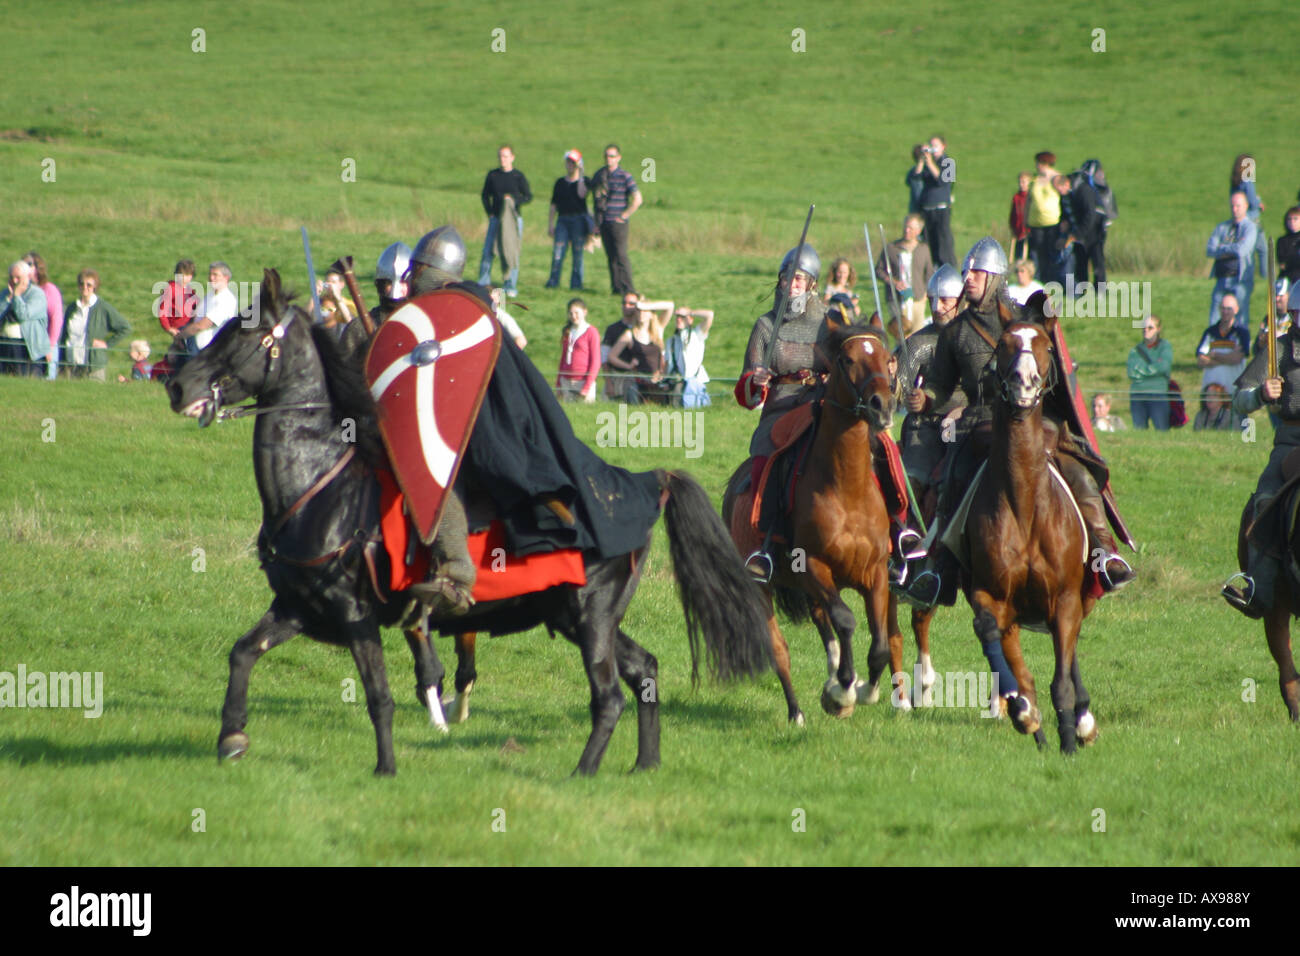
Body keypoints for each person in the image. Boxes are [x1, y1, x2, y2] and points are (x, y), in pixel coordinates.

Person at [902, 237, 1133, 608]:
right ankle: (940, 569)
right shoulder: (956, 331)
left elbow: (1054, 372)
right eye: (966, 272)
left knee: (1078, 470)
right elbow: (941, 385)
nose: (969, 278)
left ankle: (1104, 553)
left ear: (995, 276)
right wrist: (925, 398)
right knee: (949, 479)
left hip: (1034, 420)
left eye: (976, 272)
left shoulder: (1025, 319)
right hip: (979, 424)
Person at [733, 244, 827, 578]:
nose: (793, 284)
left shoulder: (827, 324)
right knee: (764, 454)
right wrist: (757, 380)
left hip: (820, 402)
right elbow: (746, 390)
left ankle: (892, 536)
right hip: (780, 405)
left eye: (800, 278)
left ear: (812, 284)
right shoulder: (765, 326)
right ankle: (767, 543)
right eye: (788, 277)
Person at [1222, 283, 1300, 617]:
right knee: (1265, 502)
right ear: (1294, 314)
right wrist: (1261, 394)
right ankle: (1259, 591)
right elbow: (1239, 397)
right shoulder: (1279, 350)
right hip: (1292, 443)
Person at [892, 264, 965, 582]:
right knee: (911, 479)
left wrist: (963, 411)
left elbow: (990, 387)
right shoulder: (918, 343)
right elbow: (895, 393)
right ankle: (904, 540)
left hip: (969, 421)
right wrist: (899, 389)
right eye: (933, 299)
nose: (937, 307)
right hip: (926, 425)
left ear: (961, 300)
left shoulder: (976, 339)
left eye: (945, 299)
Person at [476, 145, 531, 297]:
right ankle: (483, 282)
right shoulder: (493, 175)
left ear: (512, 157)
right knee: (488, 250)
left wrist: (513, 200)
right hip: (496, 219)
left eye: (506, 156)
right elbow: (485, 196)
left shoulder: (518, 176)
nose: (503, 159)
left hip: (513, 221)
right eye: (500, 156)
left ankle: (510, 285)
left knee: (512, 252)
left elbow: (528, 196)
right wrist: (490, 213)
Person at [60, 269, 131, 381]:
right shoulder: (72, 308)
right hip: (71, 364)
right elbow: (64, 335)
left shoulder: (103, 307)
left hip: (93, 367)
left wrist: (107, 344)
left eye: (89, 285)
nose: (85, 287)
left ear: (95, 287)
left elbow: (125, 328)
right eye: (81, 284)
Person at [590, 143, 642, 295]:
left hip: (618, 223)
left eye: (612, 156)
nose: (609, 159)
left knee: (621, 255)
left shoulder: (625, 176)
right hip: (604, 221)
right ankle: (616, 288)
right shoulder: (600, 175)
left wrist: (624, 215)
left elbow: (637, 199)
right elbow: (592, 194)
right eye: (607, 156)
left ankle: (629, 289)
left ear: (618, 158)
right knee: (611, 256)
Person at [875, 214, 934, 339]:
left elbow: (929, 273)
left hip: (918, 299)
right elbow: (879, 270)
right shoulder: (891, 248)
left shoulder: (923, 249)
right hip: (896, 300)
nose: (907, 231)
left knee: (918, 336)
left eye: (911, 228)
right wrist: (893, 282)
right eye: (906, 227)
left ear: (918, 231)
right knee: (901, 336)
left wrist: (925, 295)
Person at [1207, 191, 1258, 333]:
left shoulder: (1250, 228)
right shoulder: (1222, 227)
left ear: (1246, 206)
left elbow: (1242, 250)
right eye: (1232, 206)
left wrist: (1222, 248)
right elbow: (1210, 250)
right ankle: (1213, 347)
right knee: (1215, 316)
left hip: (1241, 280)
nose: (1235, 209)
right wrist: (1231, 249)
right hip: (1222, 279)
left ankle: (1240, 349)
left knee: (1241, 317)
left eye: (1238, 206)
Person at [606, 302, 673, 405]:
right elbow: (611, 356)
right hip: (639, 380)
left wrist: (647, 305)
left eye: (645, 311)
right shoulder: (630, 334)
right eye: (639, 311)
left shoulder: (658, 330)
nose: (642, 313)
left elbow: (670, 306)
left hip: (657, 379)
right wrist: (628, 366)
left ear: (651, 314)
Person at [546, 149, 591, 290]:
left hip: (578, 221)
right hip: (563, 221)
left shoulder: (584, 181)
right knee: (558, 252)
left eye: (573, 162)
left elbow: (582, 194)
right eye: (568, 162)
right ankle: (553, 281)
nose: (570, 165)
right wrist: (551, 224)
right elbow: (554, 205)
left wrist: (581, 174)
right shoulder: (560, 183)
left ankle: (576, 284)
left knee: (578, 253)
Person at [0, 260, 49, 376]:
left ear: (27, 277)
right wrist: (8, 299)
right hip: (5, 345)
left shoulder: (37, 295)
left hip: (27, 348)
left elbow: (24, 315)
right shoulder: (5, 293)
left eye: (18, 277)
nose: (14, 281)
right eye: (11, 277)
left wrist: (16, 296)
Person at [1196, 294, 1250, 400]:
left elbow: (1237, 359)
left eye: (1229, 309)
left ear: (1236, 310)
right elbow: (1201, 361)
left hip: (1233, 391)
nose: (1225, 312)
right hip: (1211, 392)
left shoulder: (1242, 332)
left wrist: (1214, 355)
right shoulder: (1210, 332)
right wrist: (1227, 358)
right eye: (1223, 308)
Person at [177, 262, 238, 355]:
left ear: (226, 278)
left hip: (207, 352)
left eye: (215, 275)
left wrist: (180, 336)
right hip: (192, 345)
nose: (211, 277)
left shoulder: (227, 300)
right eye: (210, 274)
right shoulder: (210, 295)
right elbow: (195, 318)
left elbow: (202, 325)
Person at [913, 135, 955, 268]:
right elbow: (915, 177)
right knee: (928, 240)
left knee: (943, 240)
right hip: (926, 208)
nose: (933, 149)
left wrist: (930, 164)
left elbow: (943, 181)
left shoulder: (948, 162)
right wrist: (921, 160)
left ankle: (947, 266)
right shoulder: (926, 162)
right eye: (931, 146)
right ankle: (931, 266)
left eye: (936, 145)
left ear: (943, 147)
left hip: (941, 208)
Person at [1127, 315, 1173, 430]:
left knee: (1162, 430)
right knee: (1139, 432)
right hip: (1137, 395)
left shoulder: (1165, 347)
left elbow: (1164, 366)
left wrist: (1143, 370)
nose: (1146, 330)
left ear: (1158, 329)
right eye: (1144, 328)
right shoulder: (1135, 350)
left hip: (1158, 394)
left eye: (1150, 328)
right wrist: (1154, 369)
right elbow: (1131, 372)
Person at [23, 252, 62, 380]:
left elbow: (56, 319)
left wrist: (49, 346)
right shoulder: (21, 291)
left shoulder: (49, 290)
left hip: (44, 344)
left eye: (29, 264)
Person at [665, 306, 714, 407]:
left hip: (696, 382)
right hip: (677, 382)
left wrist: (690, 312)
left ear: (690, 319)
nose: (679, 319)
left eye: (682, 317)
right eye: (677, 317)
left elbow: (709, 315)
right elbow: (668, 364)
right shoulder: (671, 341)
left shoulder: (697, 334)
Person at [1026, 151, 1062, 284]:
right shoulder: (1034, 180)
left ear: (1046, 163)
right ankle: (1037, 280)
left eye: (1039, 163)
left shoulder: (1057, 178)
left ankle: (1050, 280)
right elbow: (1029, 201)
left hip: (1052, 222)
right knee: (1037, 254)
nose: (1036, 166)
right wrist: (1025, 220)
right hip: (1035, 224)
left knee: (1050, 253)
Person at [556, 297, 600, 403]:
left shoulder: (591, 332)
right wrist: (558, 383)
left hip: (583, 381)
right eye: (571, 313)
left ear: (584, 312)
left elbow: (595, 361)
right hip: (566, 381)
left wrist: (587, 386)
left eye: (576, 313)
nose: (573, 316)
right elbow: (563, 359)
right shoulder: (567, 331)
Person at [158, 259, 199, 341]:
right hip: (179, 328)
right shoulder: (170, 289)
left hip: (190, 325)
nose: (184, 278)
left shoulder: (189, 289)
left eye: (188, 275)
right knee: (187, 351)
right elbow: (162, 311)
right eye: (181, 275)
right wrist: (168, 328)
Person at [1008, 171, 1032, 263]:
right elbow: (1013, 214)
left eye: (1024, 182)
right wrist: (1013, 227)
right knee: (1018, 259)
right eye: (1020, 182)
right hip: (1018, 232)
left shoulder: (1031, 196)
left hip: (1029, 233)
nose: (1021, 185)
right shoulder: (1016, 197)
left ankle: (1071, 278)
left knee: (1029, 259)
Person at [1277, 206, 1300, 286]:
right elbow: (1283, 264)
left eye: (1295, 219)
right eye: (1289, 219)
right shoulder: (1282, 241)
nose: (1292, 222)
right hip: (1287, 278)